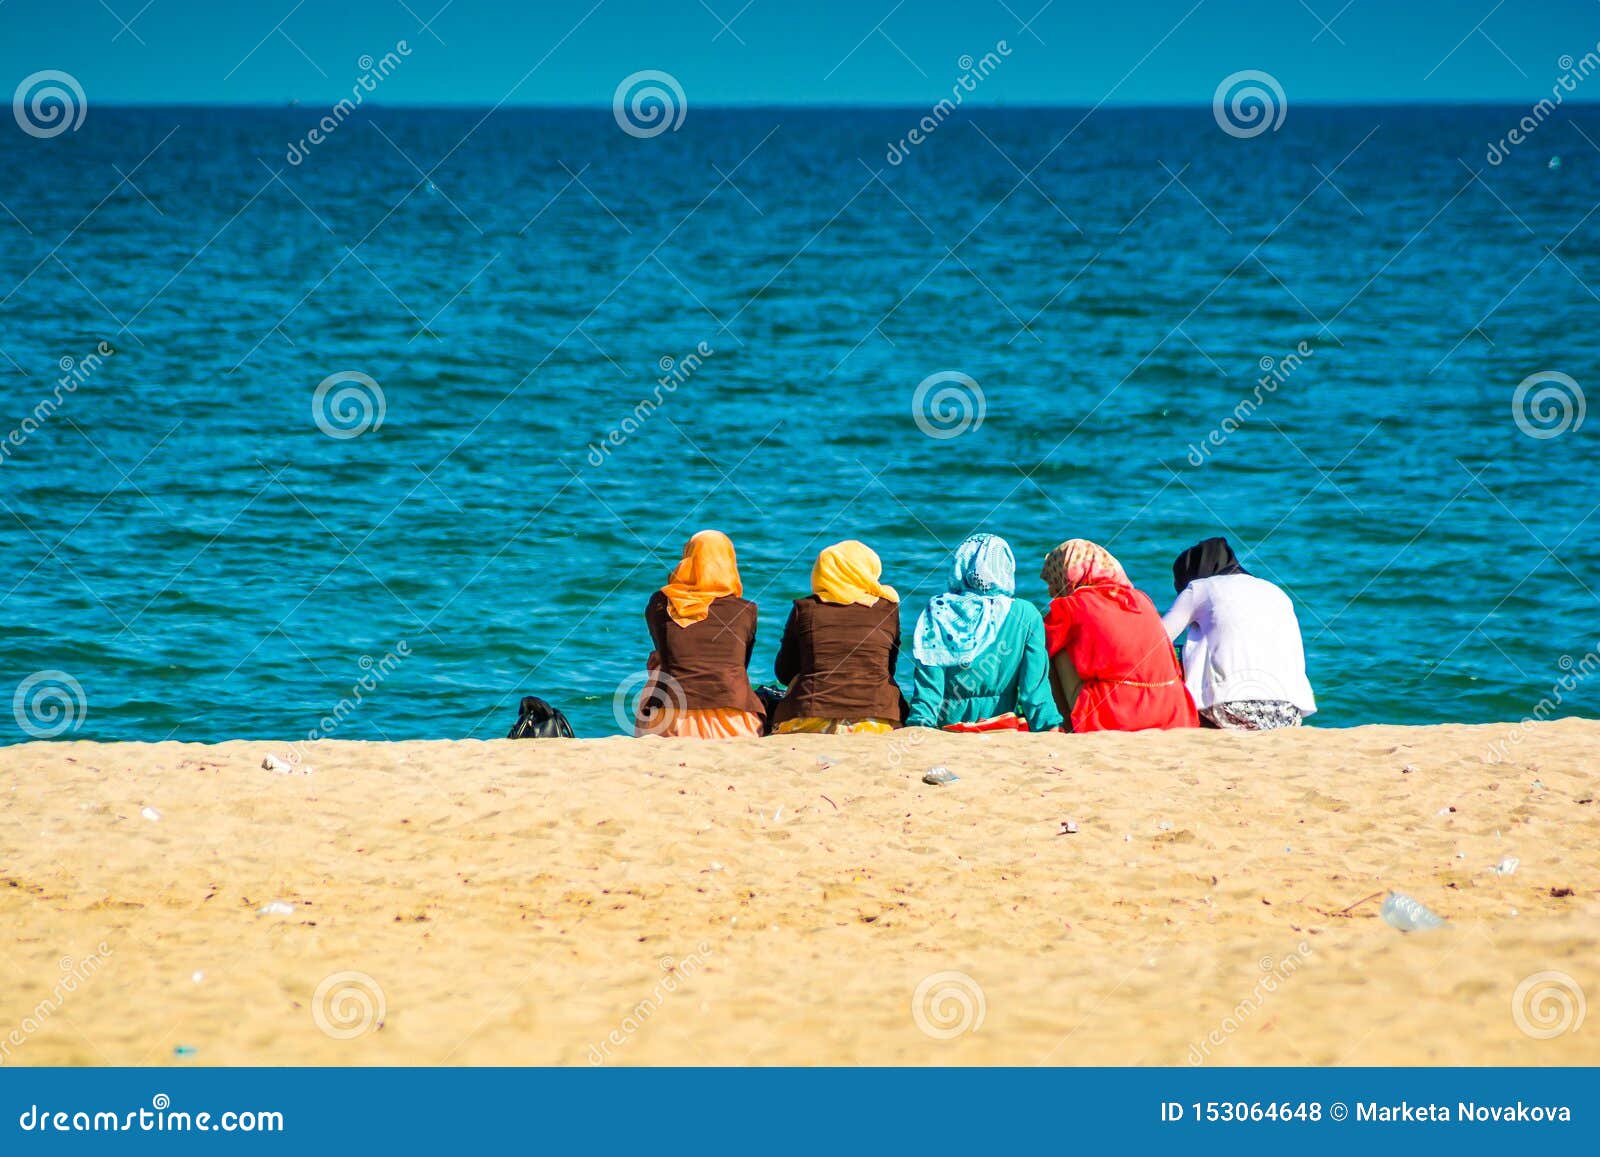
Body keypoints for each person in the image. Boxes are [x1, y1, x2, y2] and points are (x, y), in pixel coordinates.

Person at [906, 533, 1062, 732]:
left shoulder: (938, 610)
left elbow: (929, 687)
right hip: (1000, 725)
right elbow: (1034, 690)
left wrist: (919, 726)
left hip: (948, 726)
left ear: (960, 565)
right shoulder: (1025, 614)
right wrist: (1048, 726)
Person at [1039, 538, 1198, 732]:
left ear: (1068, 576)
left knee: (1051, 649)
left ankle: (1064, 723)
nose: (1050, 591)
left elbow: (1037, 649)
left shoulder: (1070, 606)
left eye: (1053, 580)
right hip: (1174, 711)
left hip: (1117, 714)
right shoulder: (1142, 600)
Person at [1162, 536, 1316, 730]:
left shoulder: (1199, 587)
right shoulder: (1275, 591)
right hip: (1289, 714)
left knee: (1170, 653)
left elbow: (1155, 640)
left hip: (1231, 708)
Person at [769, 540, 908, 735]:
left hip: (808, 717)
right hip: (877, 718)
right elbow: (887, 669)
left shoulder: (805, 608)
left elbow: (784, 673)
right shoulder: (888, 609)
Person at [638, 530, 765, 738]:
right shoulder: (747, 609)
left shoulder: (660, 603)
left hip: (672, 717)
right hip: (734, 721)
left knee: (660, 664)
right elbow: (741, 664)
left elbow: (668, 651)